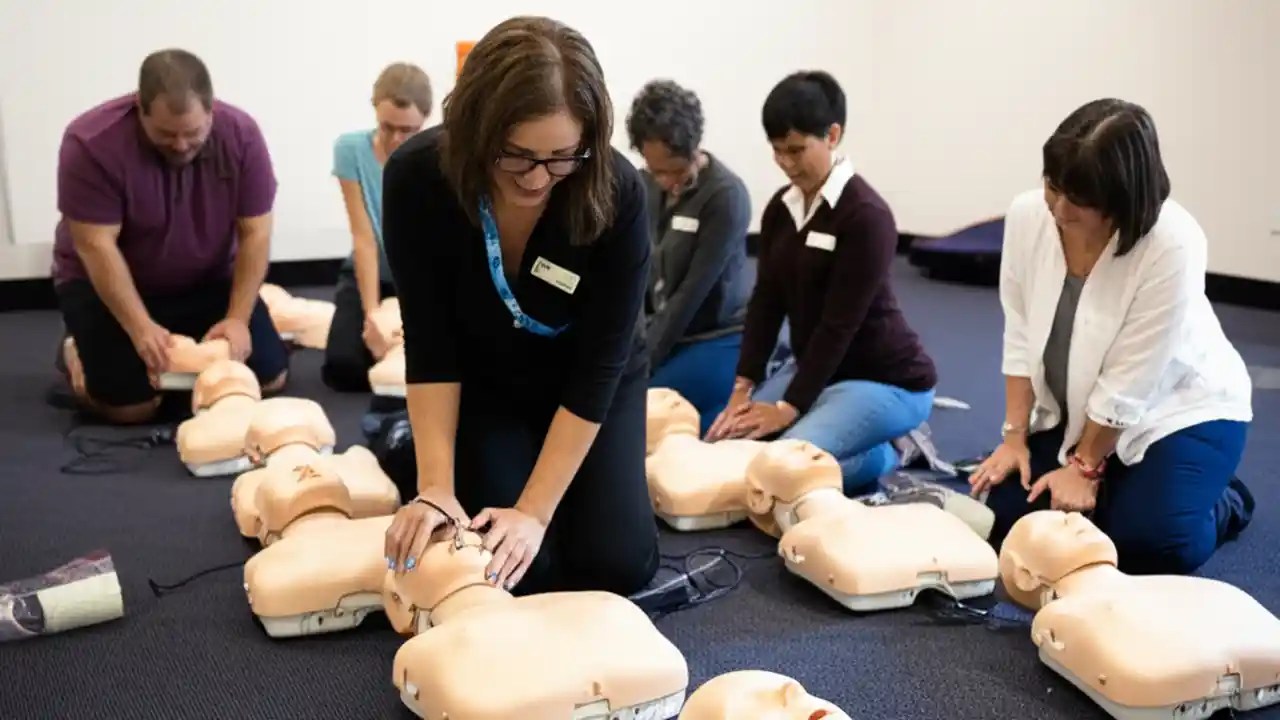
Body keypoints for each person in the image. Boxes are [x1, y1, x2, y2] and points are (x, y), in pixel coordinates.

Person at [379, 16, 659, 597]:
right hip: (487, 377)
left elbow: (600, 367)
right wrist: (436, 486)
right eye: (516, 156)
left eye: (562, 157)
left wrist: (533, 511)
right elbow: (431, 342)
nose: (537, 179)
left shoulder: (617, 191)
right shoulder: (416, 178)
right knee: (515, 569)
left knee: (616, 564)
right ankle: (416, 451)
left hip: (588, 380)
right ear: (475, 131)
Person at [968, 98, 1255, 575]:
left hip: (1177, 408)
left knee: (1148, 544)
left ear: (1122, 199)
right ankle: (1127, 482)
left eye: (1078, 200)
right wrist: (1013, 438)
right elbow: (1018, 331)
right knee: (1005, 518)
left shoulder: (1173, 243)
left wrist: (1083, 469)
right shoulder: (1027, 216)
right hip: (1083, 411)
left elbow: (1133, 378)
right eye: (1052, 187)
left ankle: (1224, 499)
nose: (1058, 209)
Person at [705, 71, 938, 497]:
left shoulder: (867, 216)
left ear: (833, 135)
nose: (788, 164)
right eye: (777, 152)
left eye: (797, 150)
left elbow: (839, 325)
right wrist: (743, 388)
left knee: (779, 471)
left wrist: (786, 408)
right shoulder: (781, 208)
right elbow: (766, 303)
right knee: (734, 441)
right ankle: (857, 438)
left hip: (887, 379)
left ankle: (886, 452)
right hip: (822, 374)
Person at [52, 49, 287, 425]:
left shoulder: (242, 135)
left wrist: (238, 318)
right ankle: (76, 354)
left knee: (268, 378)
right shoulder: (90, 142)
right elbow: (95, 245)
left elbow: (255, 232)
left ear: (212, 113)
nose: (180, 145)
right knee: (132, 409)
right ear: (139, 110)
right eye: (165, 134)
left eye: (193, 133)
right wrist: (140, 328)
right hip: (107, 285)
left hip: (206, 279)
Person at [625, 79, 752, 435]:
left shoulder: (726, 197)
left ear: (694, 148)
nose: (666, 181)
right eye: (656, 170)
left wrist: (640, 363)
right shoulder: (645, 184)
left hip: (716, 335)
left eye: (675, 171)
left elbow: (689, 296)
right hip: (662, 326)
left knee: (637, 405)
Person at [321, 63, 432, 392]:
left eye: (408, 130)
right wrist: (372, 315)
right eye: (387, 127)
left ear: (424, 121)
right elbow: (363, 237)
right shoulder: (350, 149)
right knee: (343, 368)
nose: (396, 138)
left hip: (419, 275)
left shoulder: (437, 155)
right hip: (369, 273)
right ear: (374, 111)